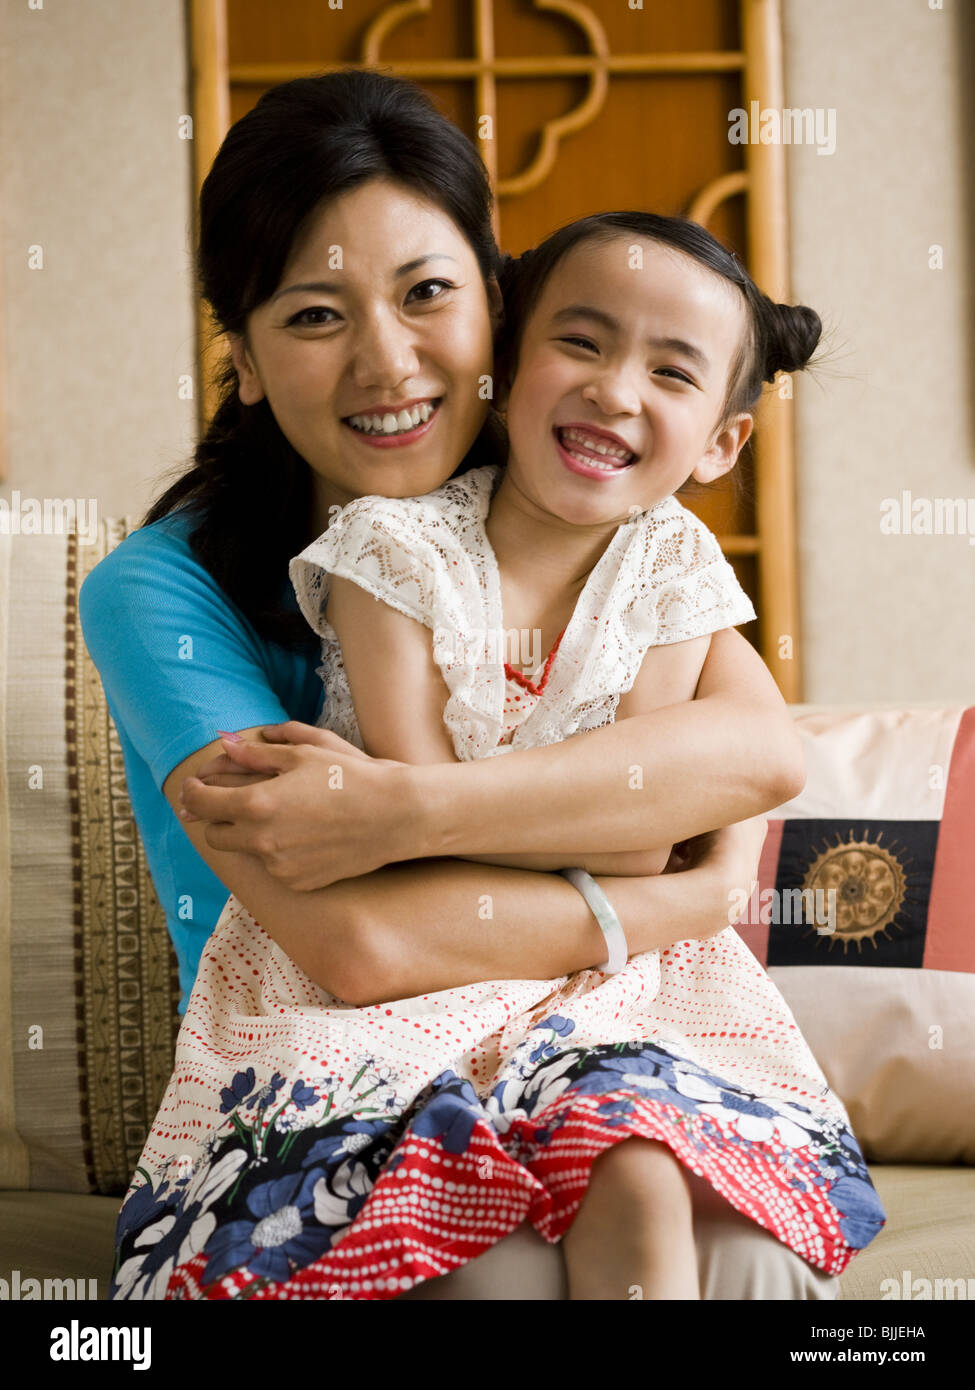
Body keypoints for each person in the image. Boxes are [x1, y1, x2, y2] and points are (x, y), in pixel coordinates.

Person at [106, 207, 886, 1302]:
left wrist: (447, 815)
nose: (617, 389)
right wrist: (642, 856)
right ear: (514, 364)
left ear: (722, 440)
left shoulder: (672, 567)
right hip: (392, 1003)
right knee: (483, 1243)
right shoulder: (393, 548)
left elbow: (652, 821)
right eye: (583, 342)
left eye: (671, 371)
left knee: (642, 1165)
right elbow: (551, 854)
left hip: (618, 999)